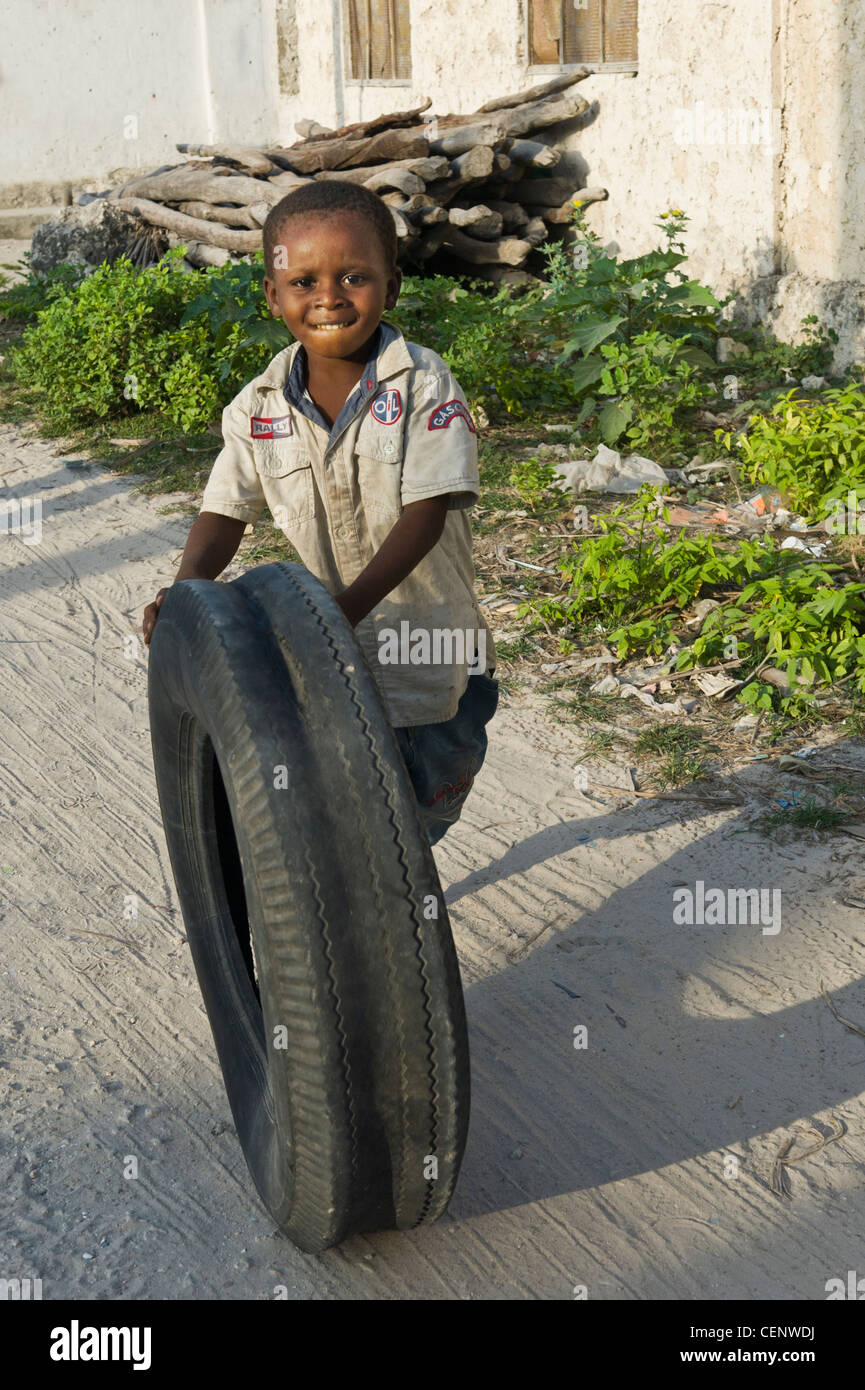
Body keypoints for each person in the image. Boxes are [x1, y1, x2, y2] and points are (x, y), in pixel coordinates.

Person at [142, 180, 497, 845]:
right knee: (352, 825)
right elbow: (224, 510)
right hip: (329, 662)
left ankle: (402, 890)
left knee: (419, 816)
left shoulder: (423, 384)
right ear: (273, 297)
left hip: (431, 656)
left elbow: (424, 514)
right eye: (303, 281)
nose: (328, 296)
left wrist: (339, 611)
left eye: (353, 277)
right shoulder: (259, 407)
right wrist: (187, 589)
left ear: (390, 288)